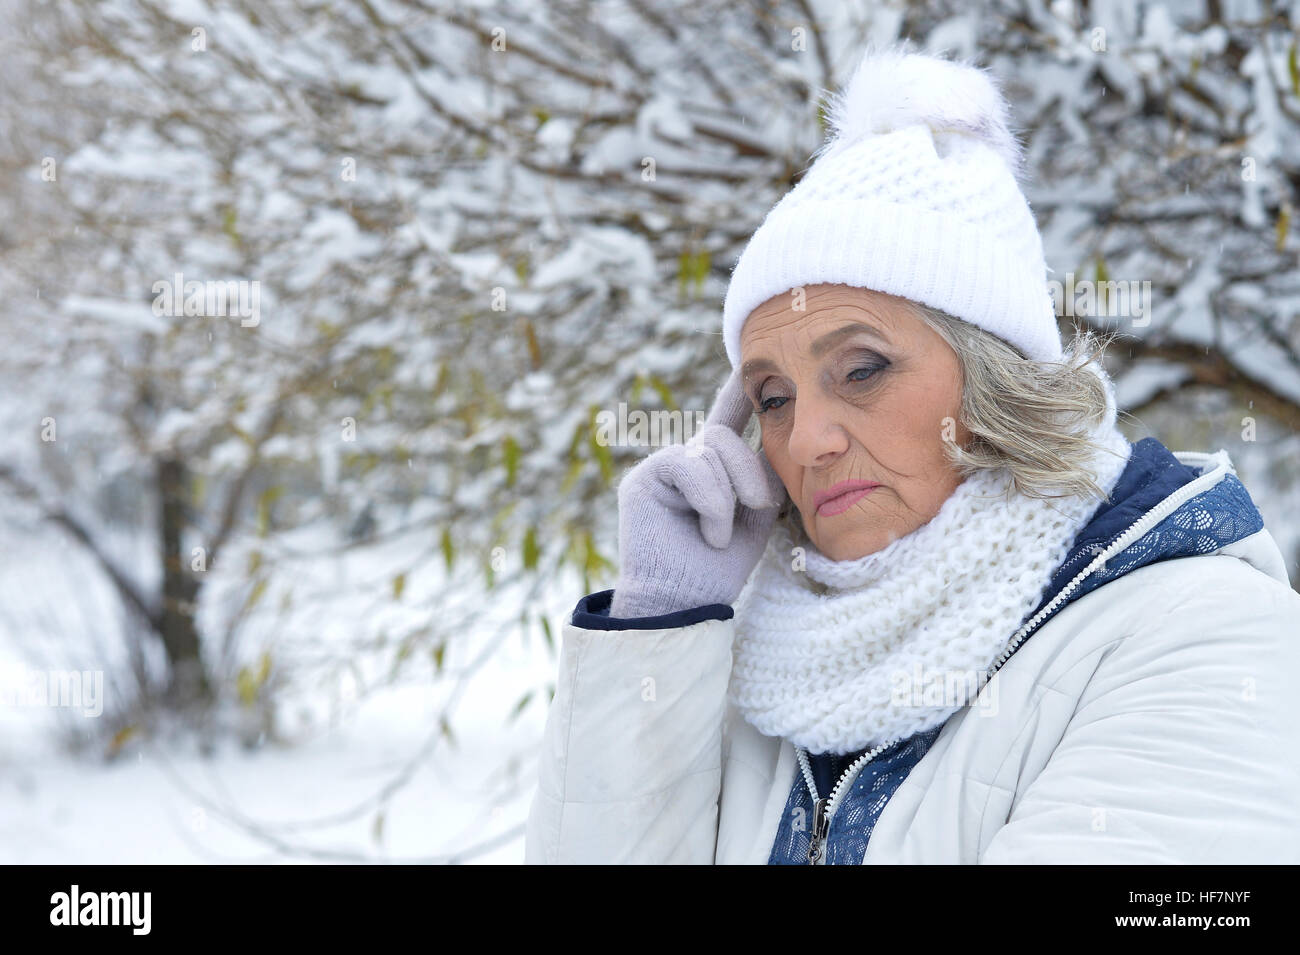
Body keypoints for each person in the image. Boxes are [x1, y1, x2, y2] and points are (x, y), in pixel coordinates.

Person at [524, 44, 1300, 864]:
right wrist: (661, 630)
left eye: (862, 369)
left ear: (995, 377)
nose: (808, 441)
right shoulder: (748, 669)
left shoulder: (1200, 634)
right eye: (772, 398)